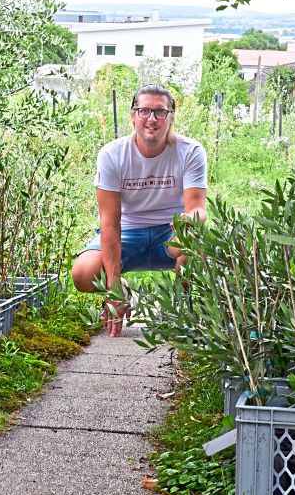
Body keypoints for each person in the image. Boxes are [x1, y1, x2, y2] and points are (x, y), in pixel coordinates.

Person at [70, 84, 208, 336]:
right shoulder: (112, 154)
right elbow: (110, 222)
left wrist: (192, 220)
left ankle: (179, 311)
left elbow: (198, 207)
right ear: (133, 115)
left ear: (171, 117)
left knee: (193, 242)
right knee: (82, 273)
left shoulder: (191, 151)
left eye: (160, 112)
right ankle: (124, 288)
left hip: (170, 233)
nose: (152, 119)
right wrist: (113, 291)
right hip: (128, 231)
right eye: (144, 111)